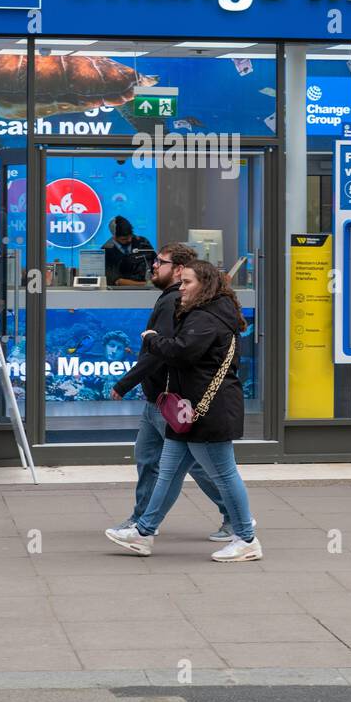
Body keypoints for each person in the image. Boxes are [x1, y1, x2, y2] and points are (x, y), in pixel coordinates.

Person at [105, 260, 262, 563]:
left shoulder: (206, 318)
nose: (181, 289)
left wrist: (151, 339)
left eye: (187, 282)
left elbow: (180, 352)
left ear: (204, 285)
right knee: (169, 471)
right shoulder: (207, 313)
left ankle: (246, 538)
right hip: (189, 412)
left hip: (208, 411)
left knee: (225, 474)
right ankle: (143, 532)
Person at [103, 215, 156, 287]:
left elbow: (156, 264)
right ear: (114, 237)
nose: (130, 240)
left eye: (131, 236)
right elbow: (117, 281)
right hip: (120, 293)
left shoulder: (142, 242)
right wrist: (146, 284)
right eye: (124, 239)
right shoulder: (106, 251)